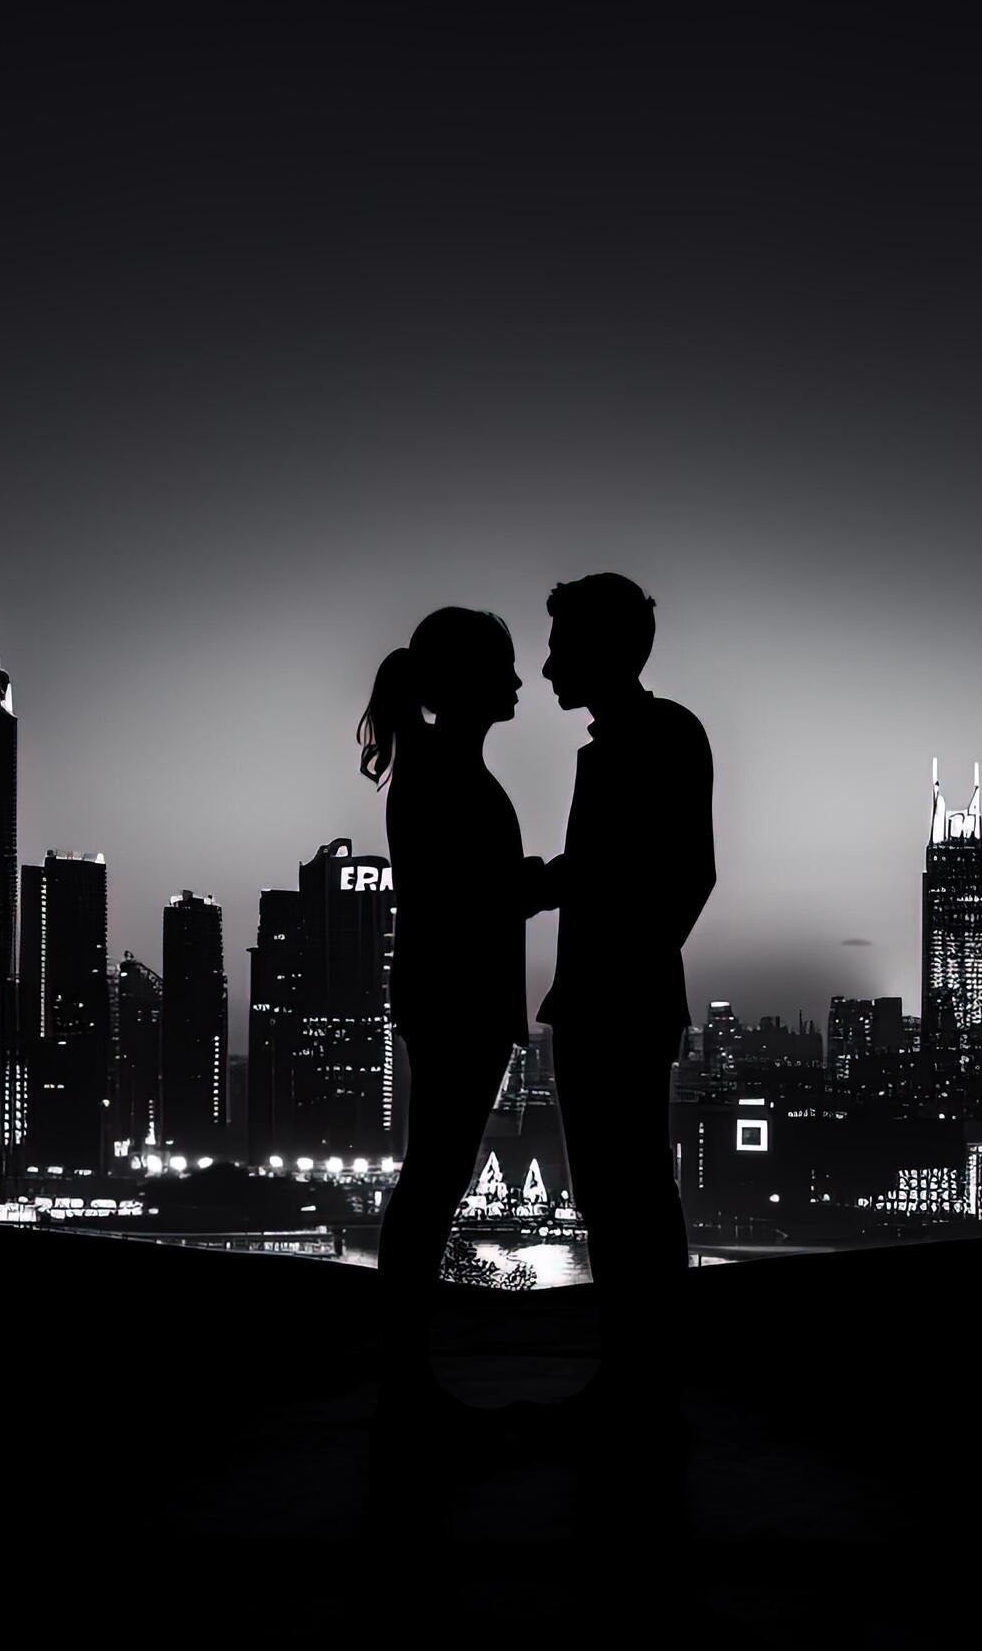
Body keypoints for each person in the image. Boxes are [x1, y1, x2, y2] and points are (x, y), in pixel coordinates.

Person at [360, 606, 548, 1422]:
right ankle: (403, 1369)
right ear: (466, 683)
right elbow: (473, 897)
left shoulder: (438, 767)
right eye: (501, 668)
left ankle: (404, 1364)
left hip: (450, 997)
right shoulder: (446, 775)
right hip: (456, 1000)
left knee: (433, 1176)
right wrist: (562, 878)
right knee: (435, 1177)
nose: (517, 681)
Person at [534, 573, 713, 1419]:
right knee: (618, 1190)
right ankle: (638, 1370)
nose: (545, 669)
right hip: (610, 996)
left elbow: (680, 872)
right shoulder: (633, 740)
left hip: (617, 1000)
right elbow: (621, 870)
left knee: (628, 1188)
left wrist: (625, 955)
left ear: (605, 649)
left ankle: (640, 1376)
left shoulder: (660, 736)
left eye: (562, 648)